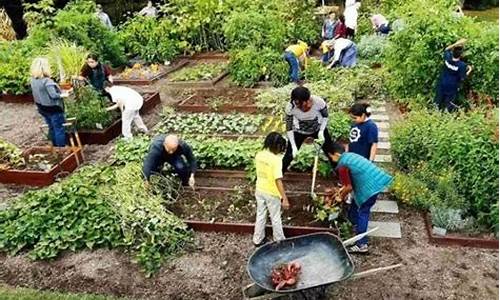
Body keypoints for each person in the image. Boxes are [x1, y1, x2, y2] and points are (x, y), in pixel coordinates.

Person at [325, 142, 393, 254]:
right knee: (355, 205)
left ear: (336, 154)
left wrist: (340, 197)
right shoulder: (349, 156)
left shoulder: (343, 165)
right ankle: (355, 227)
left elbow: (349, 187)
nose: (331, 160)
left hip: (369, 187)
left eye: (330, 157)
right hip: (374, 180)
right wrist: (340, 192)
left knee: (363, 211)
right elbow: (347, 184)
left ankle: (361, 244)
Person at [282, 86, 332, 173]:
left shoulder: (319, 102)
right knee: (289, 155)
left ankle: (342, 178)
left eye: (301, 104)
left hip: (317, 129)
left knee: (330, 151)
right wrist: (293, 146)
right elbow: (289, 127)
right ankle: (278, 176)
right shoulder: (290, 107)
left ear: (308, 100)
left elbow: (325, 117)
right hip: (299, 131)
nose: (299, 107)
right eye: (296, 104)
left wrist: (321, 131)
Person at [253, 132, 290, 247]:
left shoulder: (259, 155)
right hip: (272, 192)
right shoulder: (276, 160)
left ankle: (257, 239)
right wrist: (284, 198)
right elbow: (278, 180)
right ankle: (279, 241)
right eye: (281, 147)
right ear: (277, 146)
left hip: (259, 189)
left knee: (260, 214)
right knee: (275, 217)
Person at [30, 57, 71, 147]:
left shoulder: (33, 80)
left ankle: (55, 148)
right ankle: (61, 149)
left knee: (51, 127)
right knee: (59, 128)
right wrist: (65, 94)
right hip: (53, 109)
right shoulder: (47, 81)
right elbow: (53, 95)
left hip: (42, 108)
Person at [434, 38, 472, 112]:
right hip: (452, 87)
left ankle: (434, 115)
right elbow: (463, 78)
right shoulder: (462, 65)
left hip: (442, 83)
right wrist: (470, 70)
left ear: (453, 52)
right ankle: (446, 117)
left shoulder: (448, 58)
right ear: (461, 55)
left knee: (437, 101)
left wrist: (456, 43)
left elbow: (446, 49)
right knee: (449, 104)